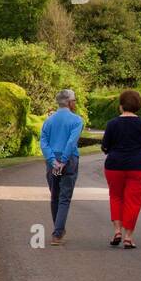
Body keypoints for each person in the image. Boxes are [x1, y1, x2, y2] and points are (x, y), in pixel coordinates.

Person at [100, 88, 141, 249]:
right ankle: (128, 237)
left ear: (121, 106)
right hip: (138, 167)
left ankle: (117, 231)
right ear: (138, 106)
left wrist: (112, 150)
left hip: (114, 166)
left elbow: (105, 147)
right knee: (133, 200)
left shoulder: (112, 124)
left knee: (116, 197)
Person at [39, 88, 85, 246]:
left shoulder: (49, 120)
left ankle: (58, 230)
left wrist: (53, 161)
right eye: (74, 100)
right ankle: (57, 233)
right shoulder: (77, 120)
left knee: (55, 196)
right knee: (64, 198)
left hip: (52, 160)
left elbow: (43, 142)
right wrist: (63, 160)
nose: (75, 103)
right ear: (70, 102)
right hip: (69, 160)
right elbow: (71, 142)